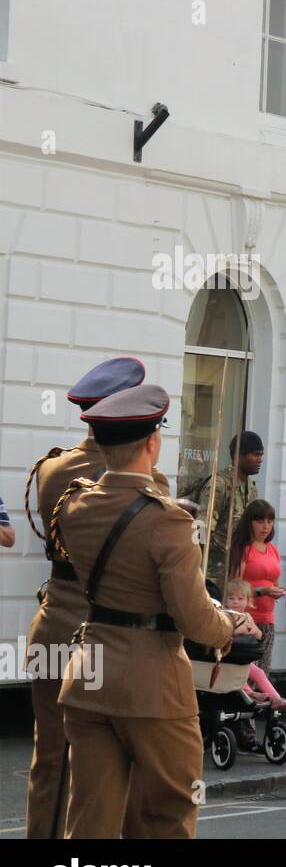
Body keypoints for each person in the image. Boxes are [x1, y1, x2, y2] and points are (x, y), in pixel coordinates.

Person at [49, 384, 259, 838]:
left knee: (90, 818)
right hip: (152, 683)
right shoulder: (166, 519)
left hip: (89, 676)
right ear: (152, 442)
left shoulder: (75, 505)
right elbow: (194, 618)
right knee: (168, 813)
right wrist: (229, 625)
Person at [21, 356, 172, 840]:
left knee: (49, 758)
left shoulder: (51, 468)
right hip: (101, 631)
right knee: (104, 769)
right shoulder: (148, 482)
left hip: (52, 618)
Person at [196, 431, 263, 591]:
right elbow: (200, 530)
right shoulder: (219, 485)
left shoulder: (251, 488)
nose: (260, 459)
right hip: (212, 576)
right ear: (238, 456)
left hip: (238, 574)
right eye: (255, 454)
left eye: (261, 455)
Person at [229, 499, 286, 673]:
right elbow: (234, 588)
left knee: (263, 670)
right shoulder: (242, 549)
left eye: (270, 522)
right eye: (260, 521)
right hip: (246, 618)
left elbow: (274, 584)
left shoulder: (273, 550)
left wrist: (282, 591)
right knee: (246, 671)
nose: (265, 526)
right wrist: (260, 591)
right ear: (249, 523)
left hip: (267, 619)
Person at [223, 580, 286, 710]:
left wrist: (256, 632)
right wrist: (239, 630)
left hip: (241, 658)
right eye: (231, 598)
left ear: (248, 601)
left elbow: (260, 635)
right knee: (239, 677)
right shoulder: (225, 616)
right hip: (227, 658)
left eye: (240, 598)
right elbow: (224, 632)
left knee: (259, 673)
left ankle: (276, 698)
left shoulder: (247, 616)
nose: (235, 602)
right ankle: (250, 694)